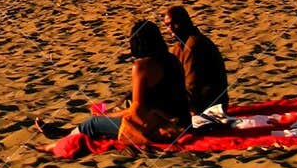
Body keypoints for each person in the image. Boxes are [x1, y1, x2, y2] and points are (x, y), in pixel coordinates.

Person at [38, 20, 191, 151]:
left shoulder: (142, 66)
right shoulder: (171, 58)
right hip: (183, 121)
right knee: (109, 113)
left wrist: (107, 115)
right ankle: (67, 132)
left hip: (164, 127)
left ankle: (54, 146)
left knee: (92, 123)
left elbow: (137, 111)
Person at [165, 5, 229, 115]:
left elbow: (192, 87)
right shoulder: (179, 47)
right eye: (167, 25)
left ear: (185, 22)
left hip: (209, 106)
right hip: (197, 102)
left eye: (174, 23)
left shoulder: (194, 45)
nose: (170, 28)